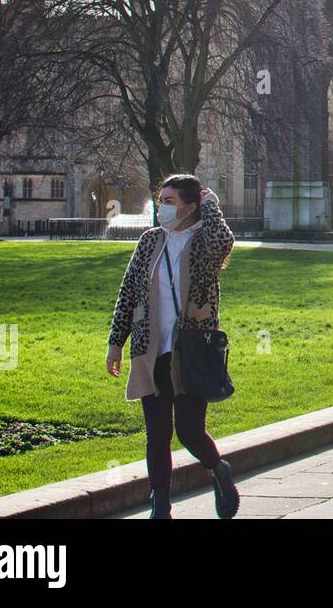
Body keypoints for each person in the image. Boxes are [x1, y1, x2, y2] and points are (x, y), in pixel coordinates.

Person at [106, 174, 238, 519]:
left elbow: (223, 240)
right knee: (157, 434)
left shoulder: (204, 242)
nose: (162, 207)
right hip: (151, 349)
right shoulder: (150, 241)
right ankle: (160, 506)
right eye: (160, 199)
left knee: (190, 433)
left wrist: (211, 207)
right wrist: (115, 343)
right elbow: (128, 292)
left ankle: (218, 470)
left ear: (190, 206)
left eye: (170, 201)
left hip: (190, 351)